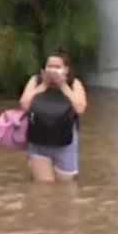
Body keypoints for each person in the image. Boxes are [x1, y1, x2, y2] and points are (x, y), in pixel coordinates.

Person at [19, 49, 87, 182]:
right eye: (50, 66)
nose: (53, 70)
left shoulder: (74, 83)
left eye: (57, 67)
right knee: (44, 186)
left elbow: (80, 108)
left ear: (66, 69)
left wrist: (62, 85)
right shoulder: (36, 80)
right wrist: (44, 85)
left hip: (65, 140)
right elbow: (24, 105)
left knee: (65, 186)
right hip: (39, 139)